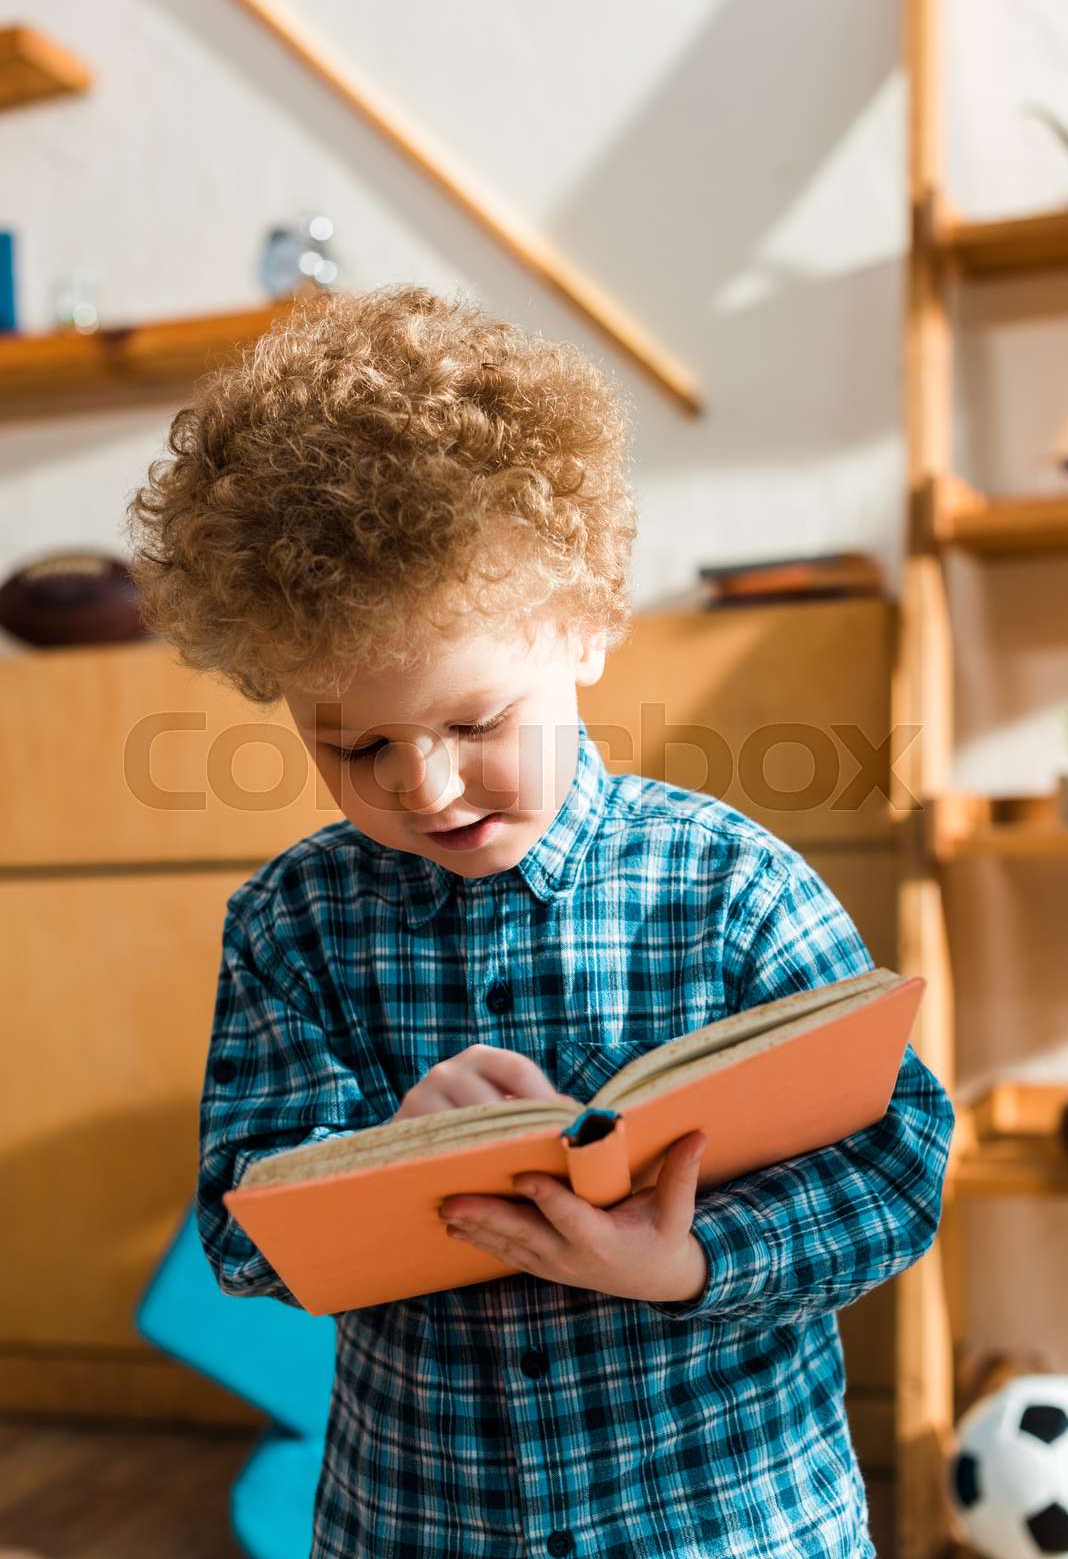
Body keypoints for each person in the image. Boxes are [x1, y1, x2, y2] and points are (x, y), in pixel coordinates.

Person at [125, 284, 955, 1559]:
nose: (426, 785)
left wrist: (688, 1263)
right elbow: (241, 1236)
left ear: (586, 626)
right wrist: (375, 1162)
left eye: (475, 723)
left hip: (730, 1521)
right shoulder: (293, 924)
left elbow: (898, 1164)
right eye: (354, 744)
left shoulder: (728, 885)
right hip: (418, 1519)